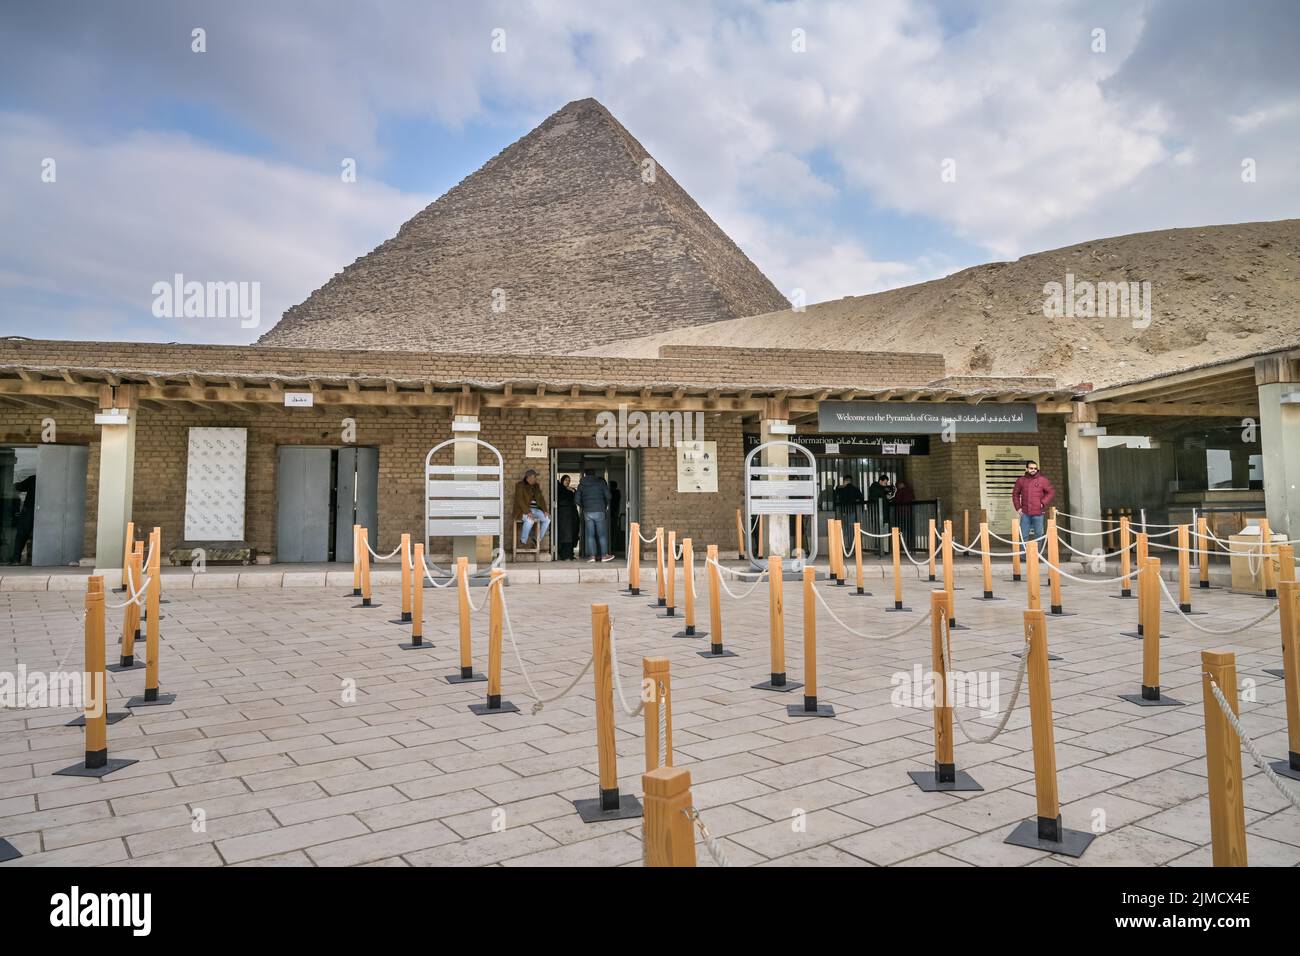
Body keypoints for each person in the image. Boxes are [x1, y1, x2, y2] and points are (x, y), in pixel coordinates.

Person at [1012, 460, 1055, 554]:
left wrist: (1042, 503)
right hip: (1025, 513)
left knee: (1039, 534)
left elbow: (1051, 492)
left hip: (1038, 513)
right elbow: (1015, 494)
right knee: (1023, 535)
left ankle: (1038, 555)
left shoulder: (1043, 480)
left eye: (1035, 468)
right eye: (1031, 468)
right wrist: (1018, 508)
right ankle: (1023, 556)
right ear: (1026, 469)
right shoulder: (1021, 481)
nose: (1033, 470)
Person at [576, 468, 615, 562]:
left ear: (585, 474)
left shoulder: (582, 484)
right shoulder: (600, 483)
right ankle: (604, 556)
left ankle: (592, 556)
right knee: (601, 535)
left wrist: (584, 507)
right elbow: (609, 496)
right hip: (599, 511)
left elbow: (576, 500)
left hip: (587, 512)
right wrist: (605, 505)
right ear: (595, 474)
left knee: (590, 535)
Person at [514, 468, 550, 546]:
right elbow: (519, 500)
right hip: (523, 510)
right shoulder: (520, 485)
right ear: (528, 477)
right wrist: (528, 511)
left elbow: (541, 499)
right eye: (534, 477)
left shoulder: (536, 486)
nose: (535, 479)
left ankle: (537, 539)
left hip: (536, 510)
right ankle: (523, 540)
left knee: (547, 519)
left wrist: (545, 510)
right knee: (530, 520)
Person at [555, 474, 579, 560]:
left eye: (569, 480)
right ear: (562, 481)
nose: (568, 482)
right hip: (563, 515)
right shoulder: (560, 489)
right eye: (566, 480)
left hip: (571, 514)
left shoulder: (571, 490)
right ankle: (564, 555)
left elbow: (575, 500)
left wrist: (573, 491)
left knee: (572, 533)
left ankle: (570, 554)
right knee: (565, 534)